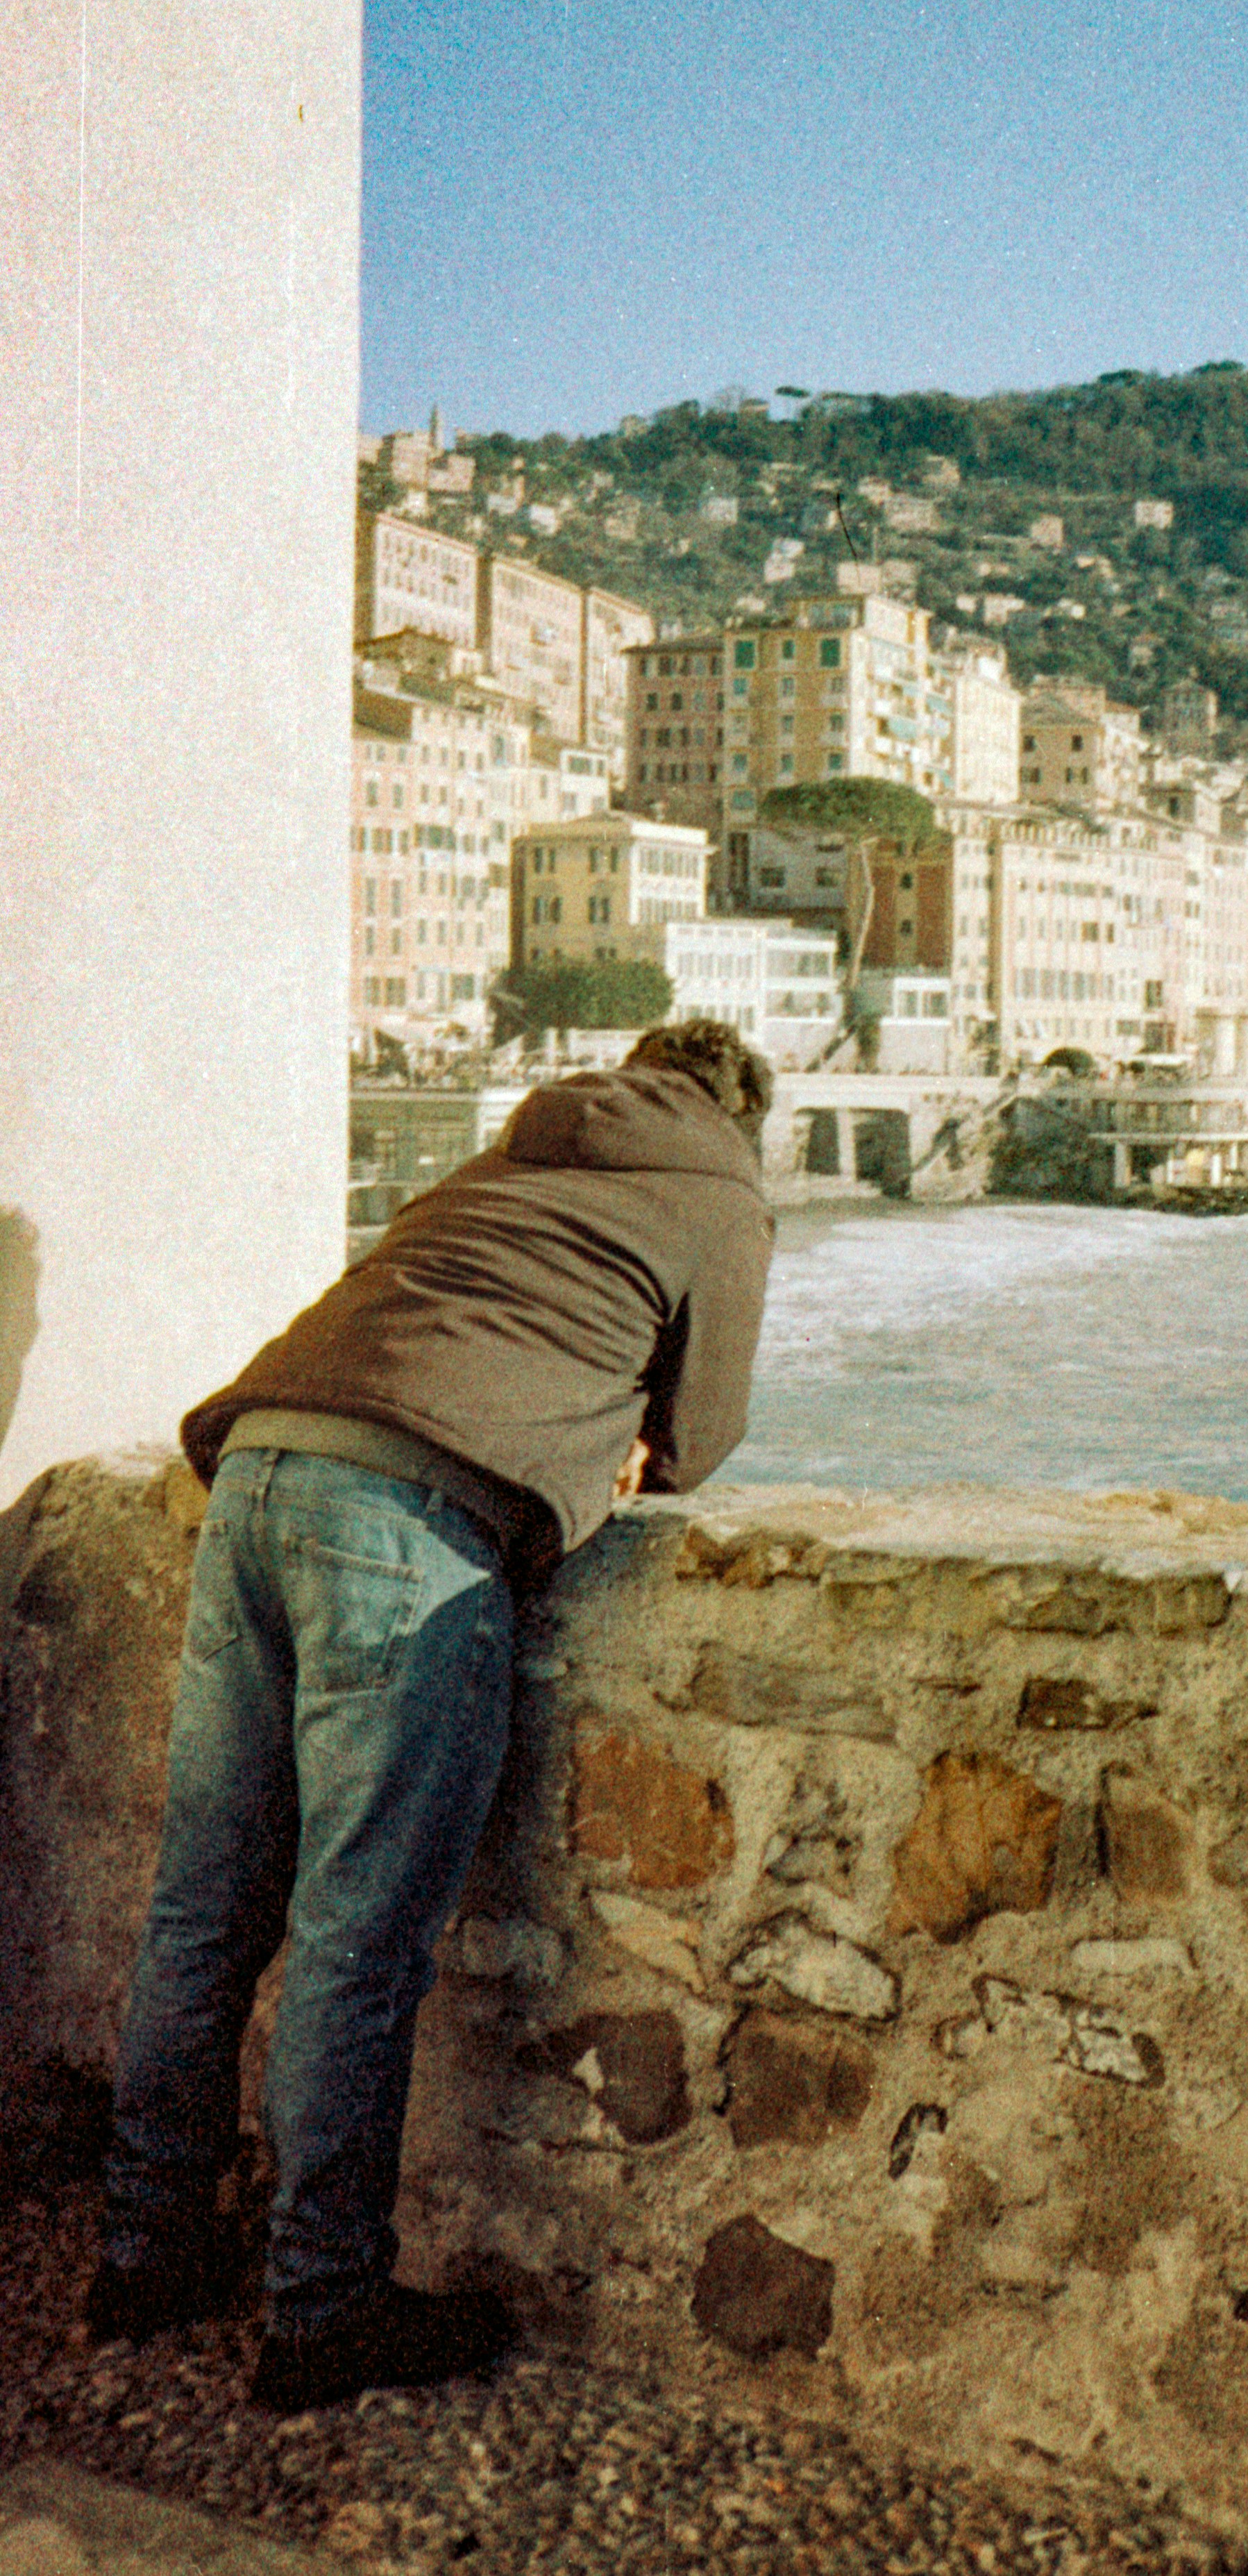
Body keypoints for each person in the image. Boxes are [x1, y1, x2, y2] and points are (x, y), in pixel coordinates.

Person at [85, 1019, 775, 2414]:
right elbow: (698, 1439)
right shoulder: (720, 1187)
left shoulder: (503, 1158)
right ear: (739, 1109)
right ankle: (320, 2310)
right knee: (355, 1936)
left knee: (204, 1908)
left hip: (265, 1467)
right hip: (408, 1519)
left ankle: (144, 2256)